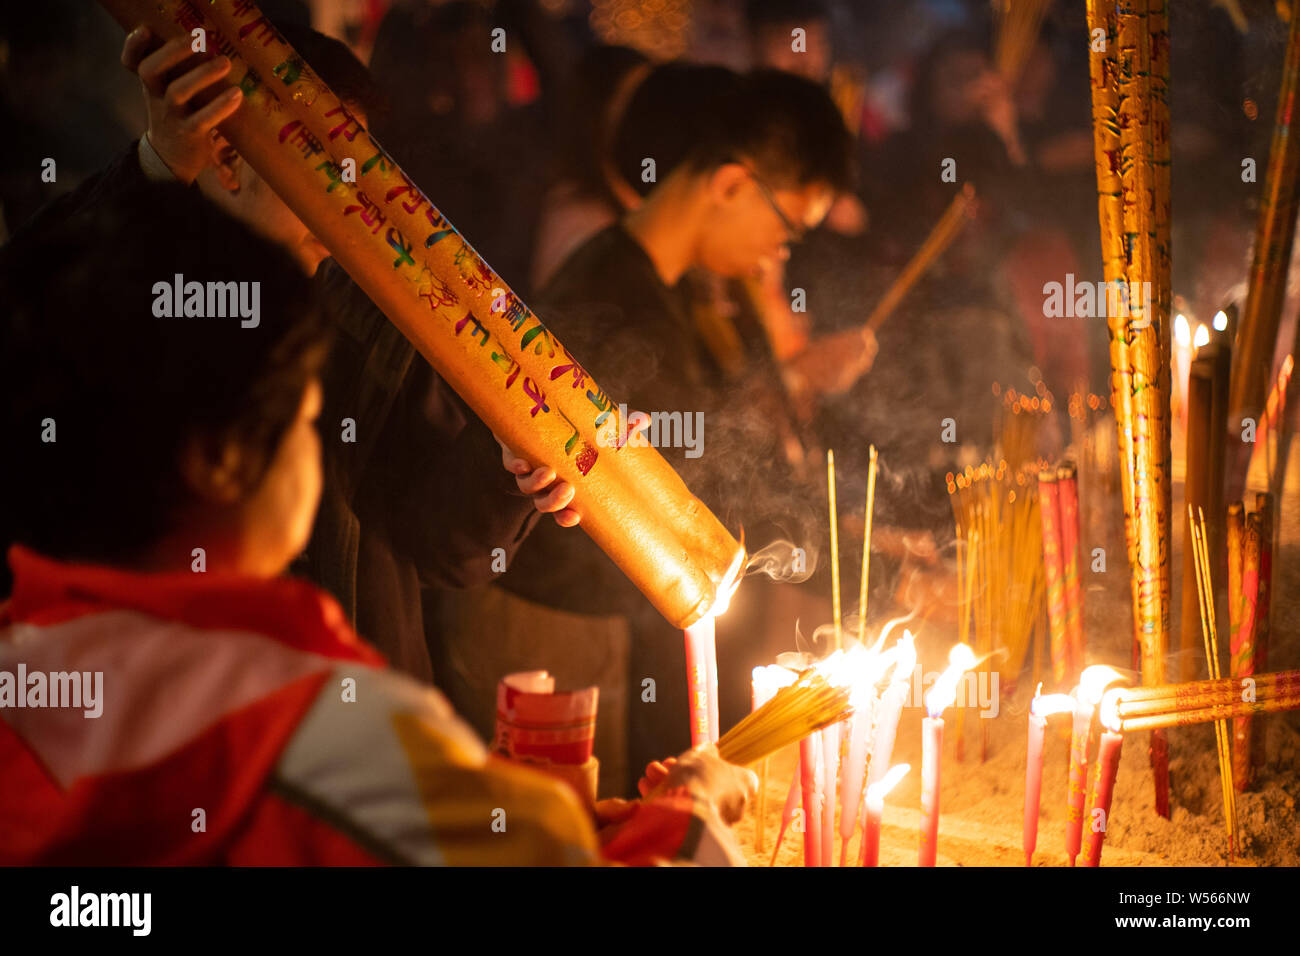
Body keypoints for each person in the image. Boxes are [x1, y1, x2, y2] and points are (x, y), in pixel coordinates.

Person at [0, 183, 754, 866]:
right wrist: (686, 813)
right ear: (222, 460)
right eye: (304, 418)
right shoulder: (312, 741)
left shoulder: (32, 678)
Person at [3, 22, 578, 684]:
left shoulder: (374, 312)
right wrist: (156, 163)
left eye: (362, 183)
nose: (349, 213)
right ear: (225, 152)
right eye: (329, 181)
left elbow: (439, 545)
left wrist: (506, 468)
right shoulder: (127, 301)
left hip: (357, 712)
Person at [463, 63, 859, 790]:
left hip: (598, 621)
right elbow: (692, 482)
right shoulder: (612, 295)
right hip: (552, 629)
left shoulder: (666, 288)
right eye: (787, 227)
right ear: (733, 184)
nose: (781, 253)